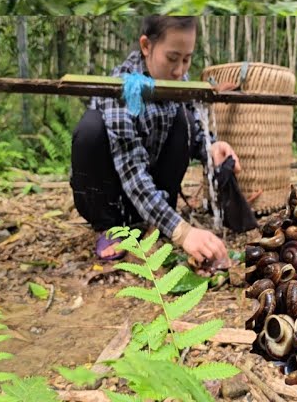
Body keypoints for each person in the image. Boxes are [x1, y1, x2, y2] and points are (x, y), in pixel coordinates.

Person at [70, 15, 242, 269]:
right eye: (172, 58)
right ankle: (111, 225)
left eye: (186, 59)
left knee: (182, 119)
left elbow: (195, 131)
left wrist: (211, 149)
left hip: (158, 191)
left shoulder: (180, 83)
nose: (179, 70)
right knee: (90, 129)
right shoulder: (121, 87)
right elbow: (132, 171)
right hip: (115, 193)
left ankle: (155, 220)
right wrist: (182, 231)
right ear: (146, 46)